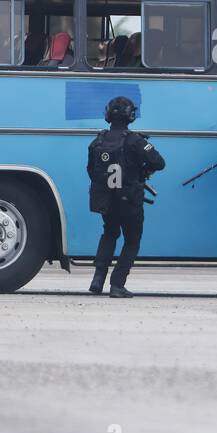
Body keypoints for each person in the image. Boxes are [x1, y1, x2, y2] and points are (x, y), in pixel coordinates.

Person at [86, 96, 165, 297]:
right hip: (129, 199)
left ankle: (97, 280)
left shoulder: (98, 140)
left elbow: (91, 171)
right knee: (132, 241)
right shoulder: (135, 141)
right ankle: (117, 284)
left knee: (109, 234)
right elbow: (159, 162)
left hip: (106, 200)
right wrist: (141, 170)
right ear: (130, 116)